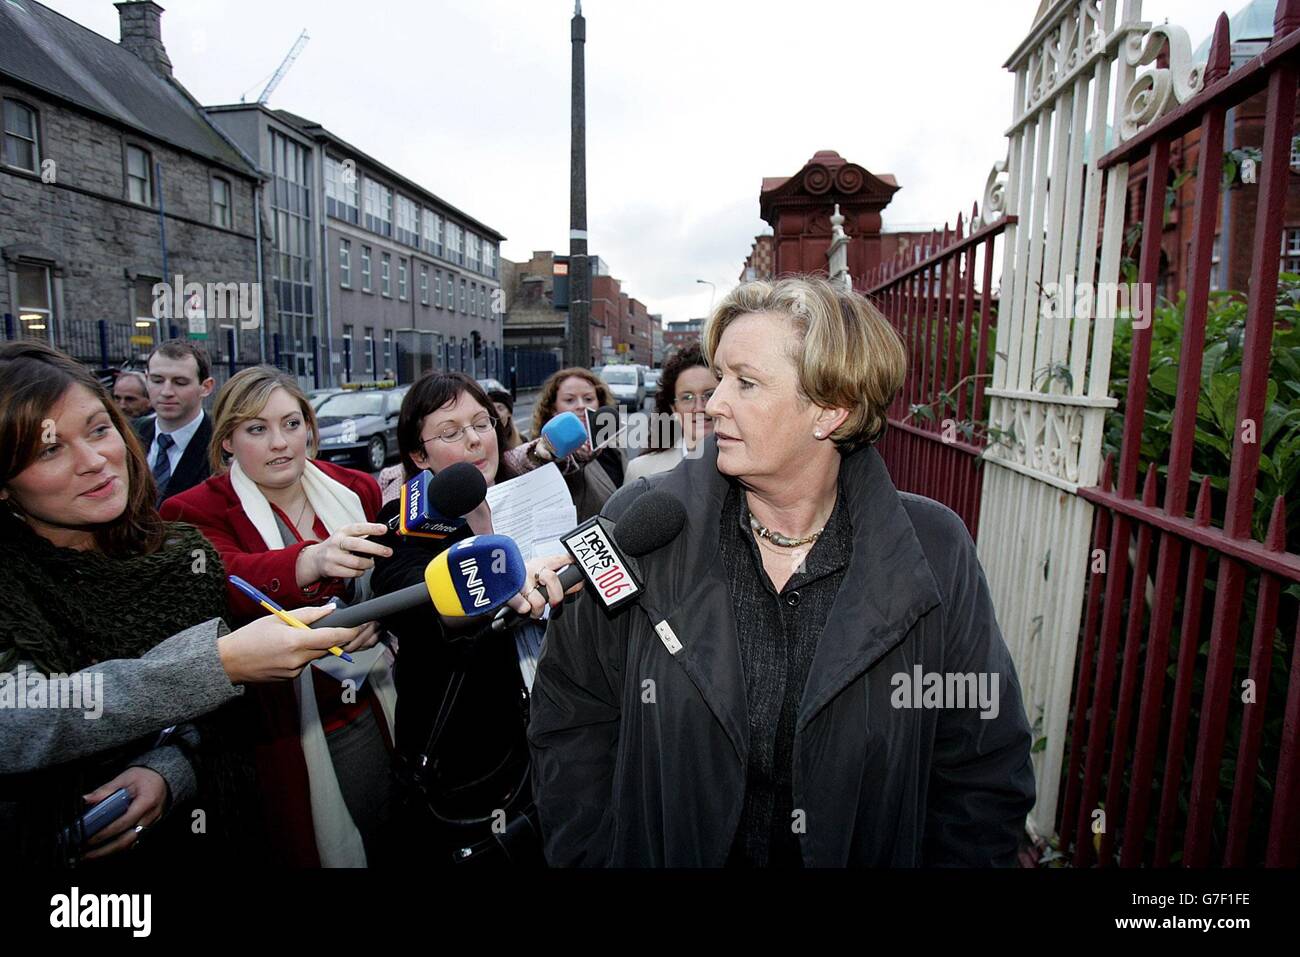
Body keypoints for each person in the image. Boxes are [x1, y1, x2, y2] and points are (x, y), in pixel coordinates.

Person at [528, 276, 1036, 867]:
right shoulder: (636, 521)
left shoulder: (934, 548)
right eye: (720, 379)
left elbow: (982, 766)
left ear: (829, 411)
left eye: (745, 383)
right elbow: (572, 710)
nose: (714, 403)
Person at [0, 342, 369, 866]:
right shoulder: (13, 583)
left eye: (100, 430)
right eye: (49, 449)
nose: (94, 461)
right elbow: (20, 721)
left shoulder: (178, 554)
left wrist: (170, 771)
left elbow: (226, 725)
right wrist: (219, 663)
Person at [161, 366, 394, 867]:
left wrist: (382, 619)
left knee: (388, 831)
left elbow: (390, 580)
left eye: (292, 424)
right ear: (226, 441)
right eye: (256, 429)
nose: (281, 443)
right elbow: (224, 578)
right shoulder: (191, 510)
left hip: (373, 705)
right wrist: (309, 559)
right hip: (277, 730)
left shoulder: (355, 488)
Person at [371, 372, 582, 866]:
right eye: (450, 432)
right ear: (418, 457)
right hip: (468, 759)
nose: (473, 440)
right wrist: (499, 581)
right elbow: (411, 598)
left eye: (481, 423)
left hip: (556, 735)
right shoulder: (399, 527)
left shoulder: (532, 495)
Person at [526, 367, 625, 520]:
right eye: (569, 400)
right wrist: (546, 453)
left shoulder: (614, 445)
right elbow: (541, 460)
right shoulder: (553, 451)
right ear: (554, 409)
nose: (581, 406)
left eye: (588, 399)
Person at [134, 340, 215, 506]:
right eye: (157, 380)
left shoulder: (223, 445)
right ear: (146, 379)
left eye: (180, 383)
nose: (166, 392)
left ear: (206, 387)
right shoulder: (130, 433)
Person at [624, 342, 717, 484]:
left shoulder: (753, 469)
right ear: (674, 408)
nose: (699, 407)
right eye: (687, 397)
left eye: (710, 394)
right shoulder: (641, 471)